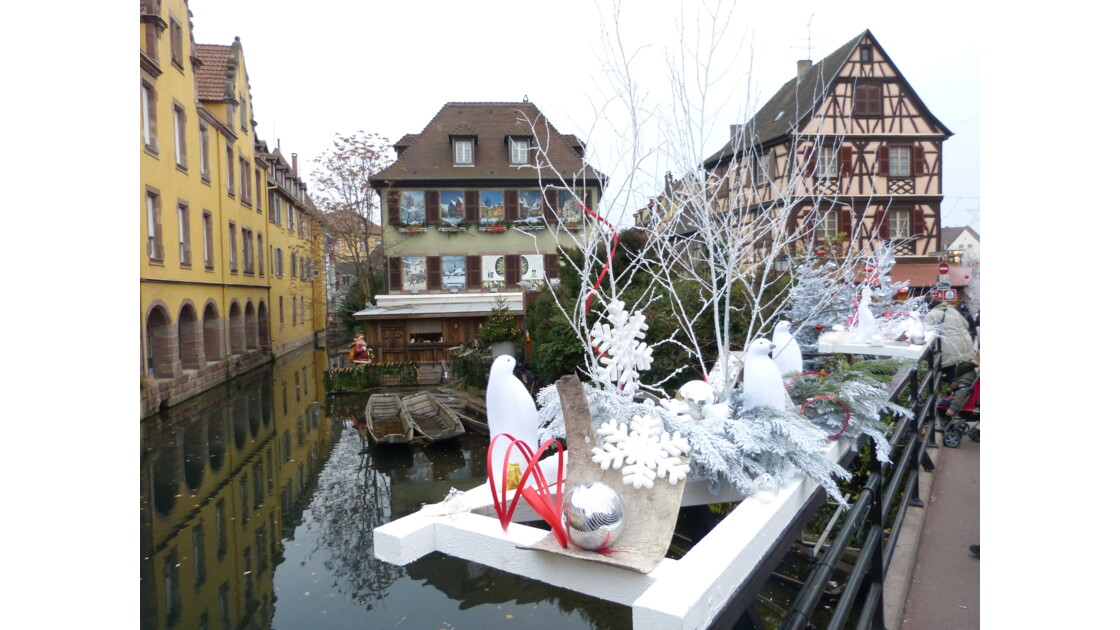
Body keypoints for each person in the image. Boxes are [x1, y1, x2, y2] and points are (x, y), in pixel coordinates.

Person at [924, 297, 973, 384]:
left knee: (948, 380)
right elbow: (966, 325)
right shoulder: (953, 311)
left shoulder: (930, 315)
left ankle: (949, 394)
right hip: (965, 347)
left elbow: (928, 335)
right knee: (964, 378)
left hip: (948, 352)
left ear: (927, 306)